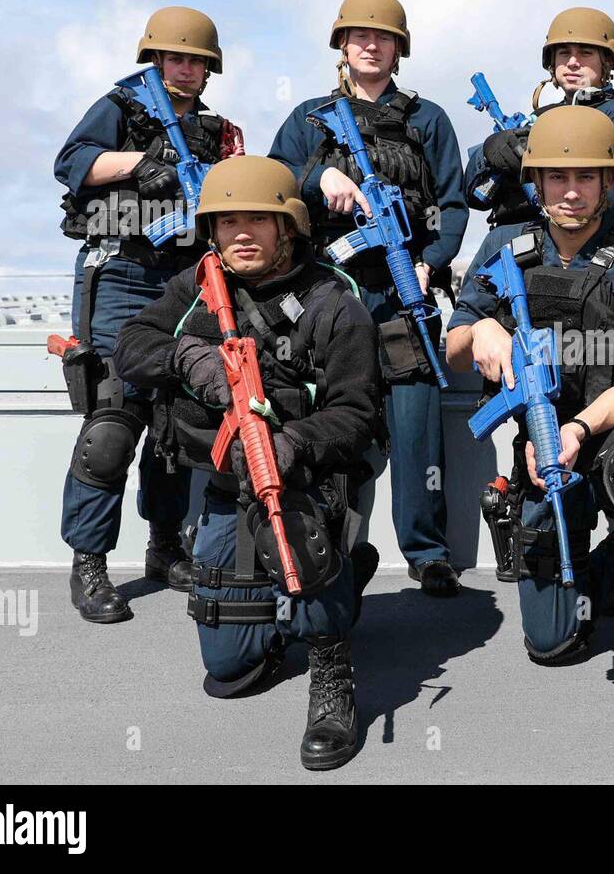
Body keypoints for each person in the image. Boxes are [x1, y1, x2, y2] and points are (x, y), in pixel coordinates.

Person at [446, 106, 614, 764]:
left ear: (608, 184)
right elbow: (447, 347)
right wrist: (482, 330)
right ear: (534, 182)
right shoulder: (506, 247)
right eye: (554, 176)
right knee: (552, 642)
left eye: (585, 178)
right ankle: (609, 564)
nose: (569, 190)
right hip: (541, 444)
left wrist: (579, 426)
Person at [114, 156, 386, 770]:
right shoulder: (198, 284)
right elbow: (132, 344)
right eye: (227, 220)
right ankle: (308, 592)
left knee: (305, 546)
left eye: (258, 221)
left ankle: (331, 668)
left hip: (311, 479)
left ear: (288, 227)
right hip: (227, 482)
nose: (241, 233)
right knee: (230, 671)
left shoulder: (333, 301)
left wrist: (292, 445)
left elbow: (356, 414)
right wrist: (191, 358)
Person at [269, 0, 467, 595]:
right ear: (342, 46)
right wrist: (316, 175)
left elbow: (452, 204)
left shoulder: (427, 118)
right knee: (329, 416)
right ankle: (325, 540)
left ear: (399, 49)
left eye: (383, 37)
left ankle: (427, 551)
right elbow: (273, 183)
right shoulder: (309, 117)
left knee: (416, 421)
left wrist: (431, 261)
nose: (371, 44)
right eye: (359, 37)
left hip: (403, 290)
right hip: (331, 292)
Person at [54, 6, 244, 622]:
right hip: (123, 275)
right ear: (156, 59)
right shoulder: (122, 108)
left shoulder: (221, 133)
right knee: (113, 422)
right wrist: (139, 163)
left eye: (196, 61)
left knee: (177, 419)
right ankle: (90, 563)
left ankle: (164, 548)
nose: (186, 69)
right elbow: (72, 162)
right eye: (175, 58)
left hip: (187, 280)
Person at [464, 7, 614, 233]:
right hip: (522, 242)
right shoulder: (540, 119)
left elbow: (608, 200)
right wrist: (489, 153)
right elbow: (472, 197)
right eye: (564, 53)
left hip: (602, 253)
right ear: (552, 63)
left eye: (585, 53)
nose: (572, 62)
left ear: (607, 62)